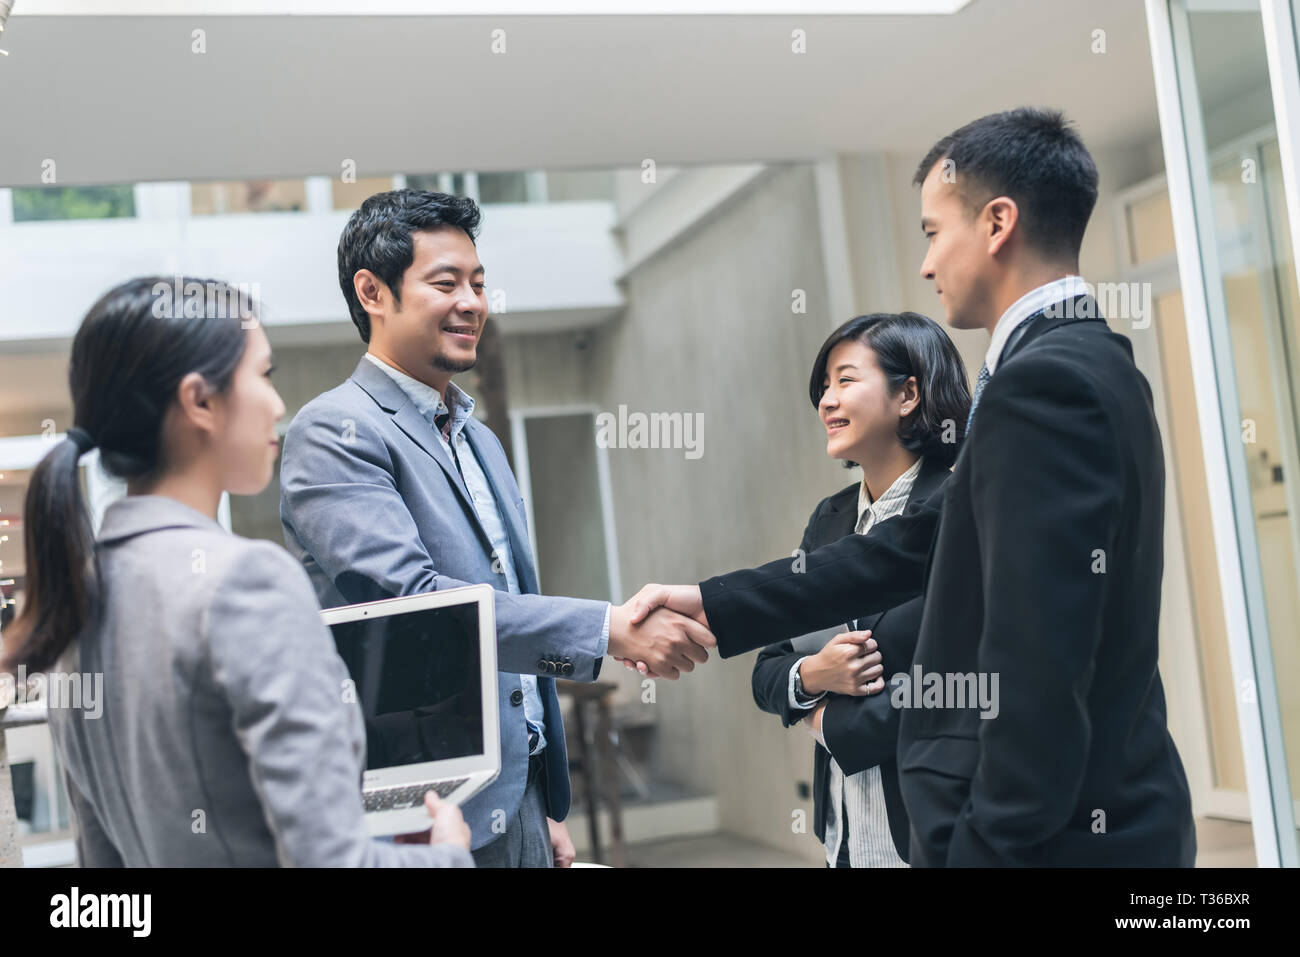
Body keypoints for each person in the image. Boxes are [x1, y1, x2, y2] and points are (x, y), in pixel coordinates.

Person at [629, 108, 1197, 867]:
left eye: (933, 231)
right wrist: (713, 601)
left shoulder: (1045, 382)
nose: (926, 264)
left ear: (998, 223)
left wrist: (986, 846)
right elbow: (916, 547)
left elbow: (1040, 663)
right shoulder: (1088, 362)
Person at [279, 189, 715, 868]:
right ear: (372, 291)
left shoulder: (479, 438)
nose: (473, 302)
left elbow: (504, 594)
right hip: (425, 813)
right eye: (445, 282)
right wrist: (608, 628)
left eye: (479, 283)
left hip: (520, 798)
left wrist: (540, 797)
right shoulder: (334, 431)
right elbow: (420, 605)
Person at [0, 276, 472, 867]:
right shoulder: (248, 581)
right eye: (264, 376)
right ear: (200, 401)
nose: (277, 405)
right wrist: (450, 855)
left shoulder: (76, 597)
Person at [750, 312, 969, 868]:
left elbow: (961, 685)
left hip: (938, 833)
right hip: (845, 838)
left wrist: (827, 722)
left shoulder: (962, 506)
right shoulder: (829, 519)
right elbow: (769, 664)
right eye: (824, 386)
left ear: (909, 394)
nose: (826, 400)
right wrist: (813, 675)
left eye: (845, 380)